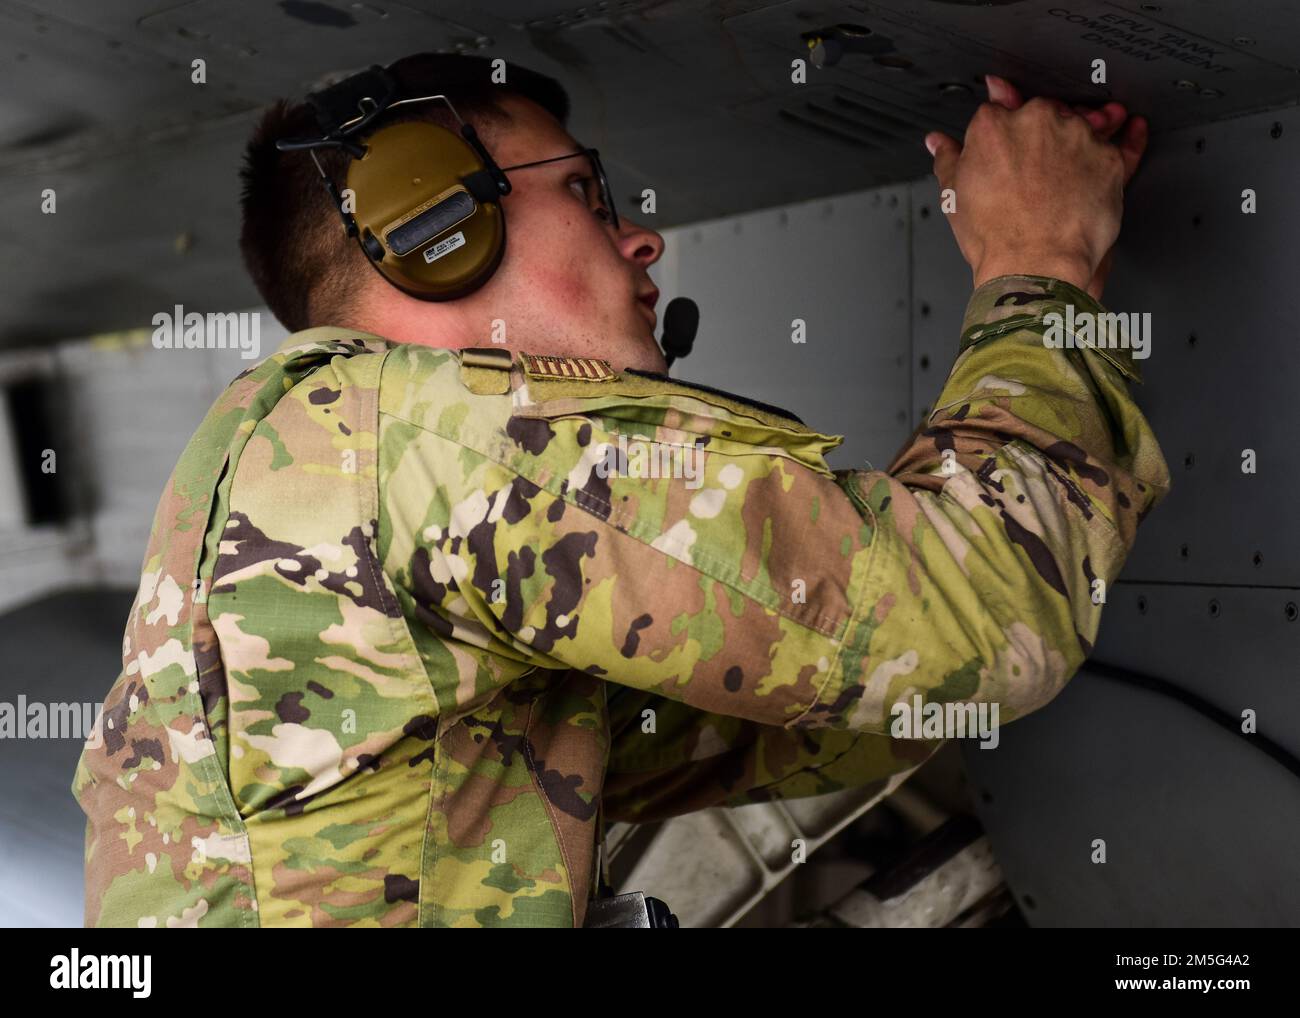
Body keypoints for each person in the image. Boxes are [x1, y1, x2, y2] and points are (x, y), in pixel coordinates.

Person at [71, 53, 1169, 928]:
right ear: (436, 229)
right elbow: (970, 618)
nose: (642, 238)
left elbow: (819, 709)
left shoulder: (316, 455)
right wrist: (1039, 264)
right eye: (589, 197)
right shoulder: (430, 437)